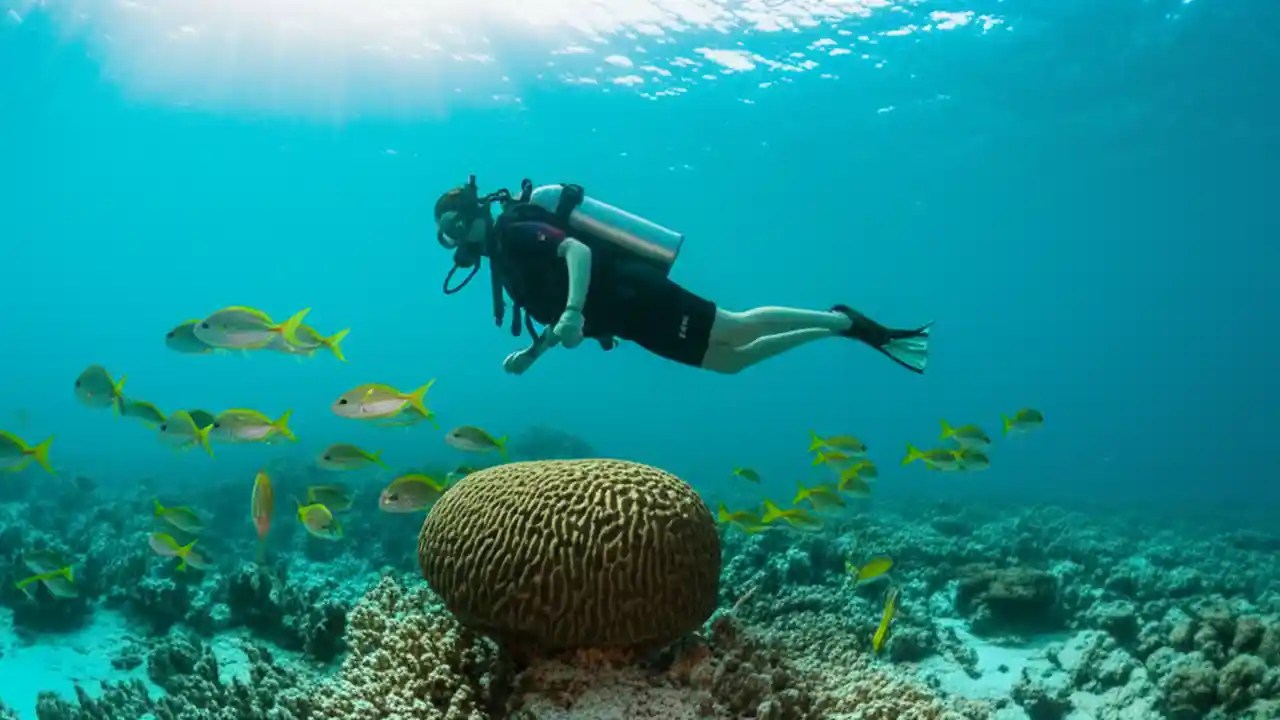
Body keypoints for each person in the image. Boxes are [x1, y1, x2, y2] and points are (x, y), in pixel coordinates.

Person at [432, 177, 932, 376]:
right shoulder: (503, 262)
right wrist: (533, 355)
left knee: (736, 328)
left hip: (634, 292)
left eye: (455, 226)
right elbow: (558, 312)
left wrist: (572, 312)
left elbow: (576, 250)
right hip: (627, 320)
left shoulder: (514, 232)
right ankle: (837, 326)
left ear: (474, 213)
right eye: (447, 238)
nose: (456, 241)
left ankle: (840, 321)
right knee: (730, 365)